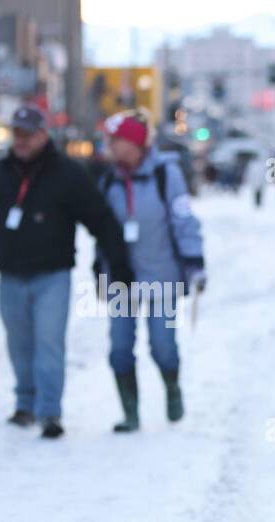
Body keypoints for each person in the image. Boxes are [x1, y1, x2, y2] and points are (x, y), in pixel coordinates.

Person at [0, 104, 134, 439]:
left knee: (48, 343)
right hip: (11, 275)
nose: (21, 141)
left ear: (43, 134)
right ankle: (25, 404)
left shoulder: (70, 174)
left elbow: (100, 219)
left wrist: (115, 262)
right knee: (19, 344)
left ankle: (50, 411)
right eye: (17, 134)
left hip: (53, 275)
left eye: (28, 134)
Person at [95, 109, 205, 433]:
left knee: (163, 346)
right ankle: (130, 412)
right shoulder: (107, 178)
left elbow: (183, 219)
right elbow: (102, 230)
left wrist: (194, 262)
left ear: (134, 143)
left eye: (116, 141)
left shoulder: (165, 175)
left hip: (162, 277)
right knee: (118, 348)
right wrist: (100, 269)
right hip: (121, 280)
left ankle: (172, 386)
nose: (111, 147)